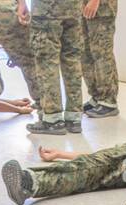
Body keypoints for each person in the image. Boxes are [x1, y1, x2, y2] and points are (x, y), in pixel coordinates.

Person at [1, 131, 126, 205]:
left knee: (96, 170)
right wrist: (61, 154)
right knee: (95, 164)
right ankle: (29, 182)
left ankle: (30, 183)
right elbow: (107, 155)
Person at [23, 0, 83, 134]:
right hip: (73, 8)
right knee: (72, 59)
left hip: (47, 9)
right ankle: (74, 118)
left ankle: (52, 119)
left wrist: (21, 4)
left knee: (47, 60)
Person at [79, 0, 117, 117]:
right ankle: (97, 96)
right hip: (83, 6)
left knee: (102, 52)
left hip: (102, 7)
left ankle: (108, 101)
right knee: (86, 53)